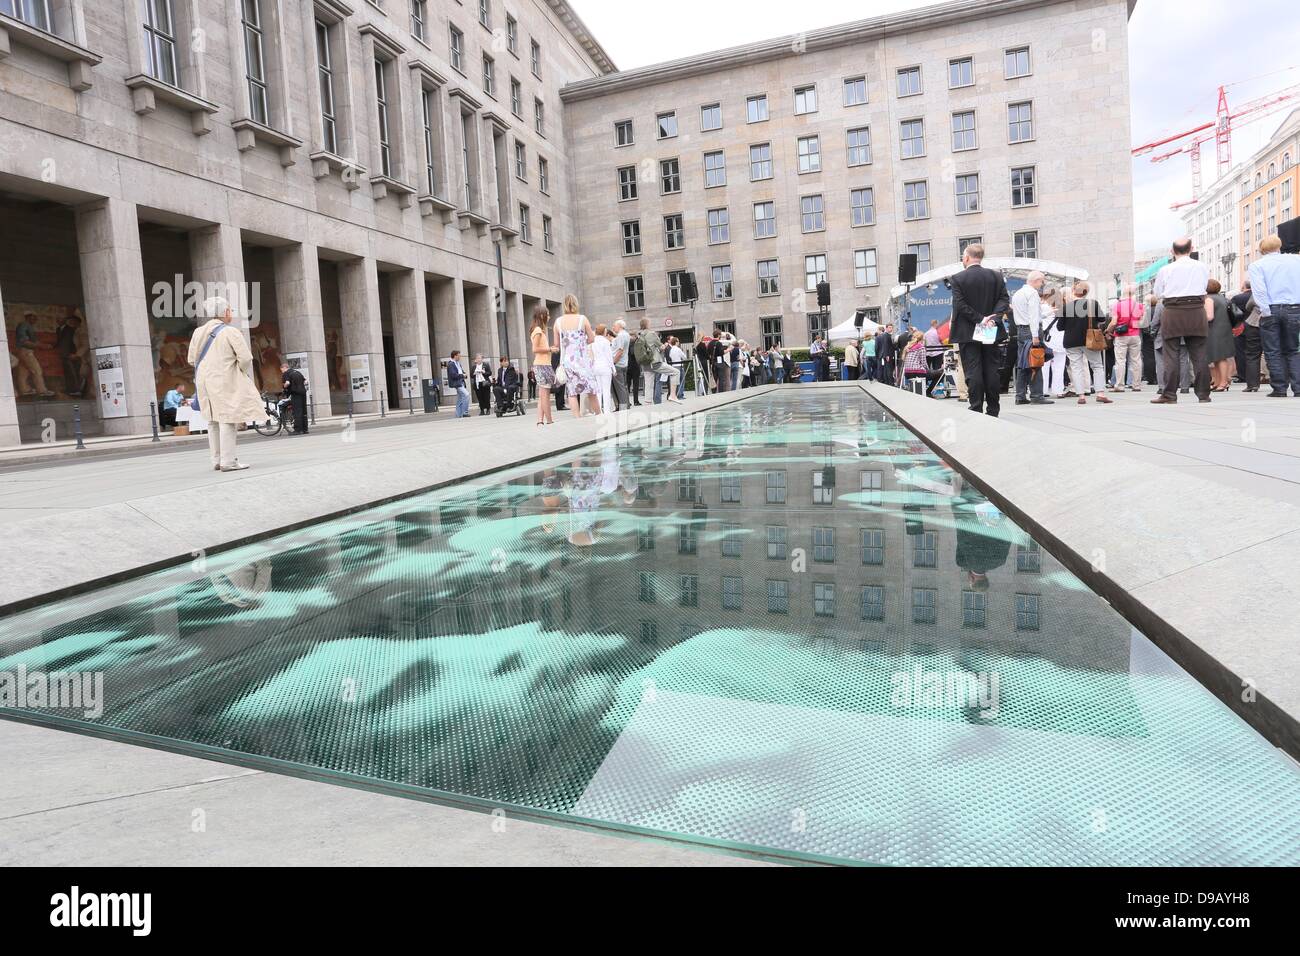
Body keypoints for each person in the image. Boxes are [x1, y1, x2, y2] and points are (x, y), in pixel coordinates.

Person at [187, 297, 265, 472]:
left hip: (204, 382)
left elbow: (191, 360)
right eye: (230, 310)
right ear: (226, 312)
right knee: (228, 419)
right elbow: (245, 358)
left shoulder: (198, 332)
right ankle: (228, 461)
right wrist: (239, 372)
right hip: (225, 380)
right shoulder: (231, 332)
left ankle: (216, 460)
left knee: (212, 420)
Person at [949, 244, 1011, 417]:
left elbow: (960, 305)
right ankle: (993, 409)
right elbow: (1004, 300)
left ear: (967, 257)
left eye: (963, 256)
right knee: (991, 369)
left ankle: (975, 407)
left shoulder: (958, 278)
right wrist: (992, 319)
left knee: (973, 370)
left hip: (968, 331)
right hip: (990, 329)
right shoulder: (996, 276)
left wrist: (980, 319)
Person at [1152, 238, 1212, 404]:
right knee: (1199, 354)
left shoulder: (1166, 269)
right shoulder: (1202, 267)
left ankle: (1169, 394)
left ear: (1172, 251)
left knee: (1171, 354)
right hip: (1196, 311)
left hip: (1173, 311)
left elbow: (1158, 293)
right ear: (1191, 249)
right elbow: (1205, 286)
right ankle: (1203, 394)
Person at [1247, 234, 1300, 397]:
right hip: (1294, 307)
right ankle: (1298, 387)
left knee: (1272, 350)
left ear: (1262, 250)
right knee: (1293, 349)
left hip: (1271, 308)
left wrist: (1266, 311)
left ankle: (1279, 387)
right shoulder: (1296, 260)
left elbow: (1260, 290)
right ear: (1279, 245)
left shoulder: (1257, 265)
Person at [1060, 282, 1115, 405]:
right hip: (1090, 340)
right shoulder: (1093, 304)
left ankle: (1081, 396)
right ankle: (1100, 393)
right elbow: (1101, 319)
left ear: (1073, 291)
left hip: (1071, 341)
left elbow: (1060, 327)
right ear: (1086, 292)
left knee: (1076, 368)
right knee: (1097, 366)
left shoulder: (1066, 307)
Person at [1010, 270, 1052, 405]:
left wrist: (1045, 315)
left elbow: (1026, 314)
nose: (1042, 284)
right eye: (1041, 281)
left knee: (1023, 364)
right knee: (1036, 362)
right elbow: (1033, 316)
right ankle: (1037, 395)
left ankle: (1020, 396)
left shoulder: (1017, 294)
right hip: (1031, 331)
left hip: (1021, 330)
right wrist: (1035, 335)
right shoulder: (1032, 293)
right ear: (1035, 280)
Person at [554, 295, 600, 418]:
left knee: (572, 392)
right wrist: (581, 342)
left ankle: (577, 419)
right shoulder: (582, 319)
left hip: (567, 361)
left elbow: (557, 345)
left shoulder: (558, 322)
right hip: (582, 360)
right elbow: (591, 339)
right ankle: (599, 415)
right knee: (591, 390)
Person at [1110, 285, 1145, 393]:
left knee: (1120, 360)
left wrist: (1108, 330)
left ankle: (1120, 385)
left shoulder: (1118, 305)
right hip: (1135, 335)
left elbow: (1114, 321)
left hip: (1121, 336)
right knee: (1136, 360)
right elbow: (1143, 323)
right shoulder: (1139, 305)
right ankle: (1136, 385)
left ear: (1123, 293)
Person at [1205, 279, 1236, 392]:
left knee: (1219, 357)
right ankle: (1219, 382)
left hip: (1214, 329)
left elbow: (1209, 316)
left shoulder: (1209, 299)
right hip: (1225, 328)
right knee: (1219, 357)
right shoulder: (1223, 298)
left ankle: (1222, 382)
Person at [1232, 281, 1263, 392]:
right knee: (1275, 352)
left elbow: (1247, 306)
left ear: (1243, 287)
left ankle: (1250, 382)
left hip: (1249, 324)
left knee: (1250, 354)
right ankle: (1281, 381)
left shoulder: (1238, 297)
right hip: (1271, 322)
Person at [13, 312, 52, 397]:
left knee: (23, 372)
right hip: (26, 351)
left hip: (22, 351)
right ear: (28, 317)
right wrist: (41, 345)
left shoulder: (27, 326)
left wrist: (43, 345)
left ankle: (24, 390)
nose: (35, 319)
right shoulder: (24, 325)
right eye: (33, 317)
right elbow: (24, 341)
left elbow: (34, 341)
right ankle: (42, 390)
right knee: (37, 370)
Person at [529, 306, 555, 425]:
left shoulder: (538, 330)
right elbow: (535, 349)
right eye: (547, 314)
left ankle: (540, 420)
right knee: (545, 395)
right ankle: (549, 420)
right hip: (542, 364)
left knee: (542, 395)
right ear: (541, 316)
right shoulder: (538, 330)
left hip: (541, 364)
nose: (549, 317)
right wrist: (550, 349)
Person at [1040, 287, 1067, 399]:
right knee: (1059, 367)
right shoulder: (1064, 309)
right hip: (1061, 341)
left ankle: (1043, 390)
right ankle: (1058, 390)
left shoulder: (1043, 307)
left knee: (1044, 367)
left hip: (1047, 340)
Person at [592, 323, 615, 413]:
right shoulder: (606, 341)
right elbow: (609, 356)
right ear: (603, 331)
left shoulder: (593, 340)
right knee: (606, 390)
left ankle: (597, 411)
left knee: (598, 390)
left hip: (596, 366)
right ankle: (606, 410)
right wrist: (613, 368)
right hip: (605, 367)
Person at [280, 362, 308, 434]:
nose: (282, 372)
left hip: (295, 393)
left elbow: (287, 383)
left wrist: (284, 387)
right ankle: (305, 429)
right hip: (303, 393)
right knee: (303, 411)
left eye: (281, 370)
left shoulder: (286, 373)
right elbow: (305, 381)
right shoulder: (297, 372)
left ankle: (298, 430)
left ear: (284, 368)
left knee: (297, 411)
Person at [610, 319, 631, 410]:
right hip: (623, 363)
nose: (613, 327)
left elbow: (619, 351)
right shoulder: (626, 335)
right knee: (623, 386)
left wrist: (613, 363)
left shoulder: (621, 336)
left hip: (618, 364)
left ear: (620, 326)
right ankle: (626, 404)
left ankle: (623, 406)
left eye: (614, 325)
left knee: (620, 387)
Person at [447, 351, 470, 418]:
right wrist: (462, 375)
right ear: (455, 356)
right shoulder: (451, 364)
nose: (460, 357)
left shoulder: (458, 363)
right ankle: (464, 412)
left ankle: (458, 414)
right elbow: (453, 375)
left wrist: (464, 374)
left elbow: (461, 371)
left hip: (461, 382)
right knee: (466, 395)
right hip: (457, 383)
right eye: (459, 355)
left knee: (460, 398)